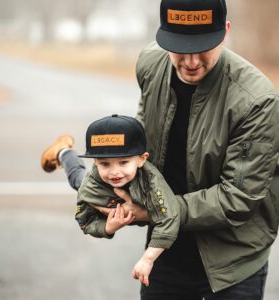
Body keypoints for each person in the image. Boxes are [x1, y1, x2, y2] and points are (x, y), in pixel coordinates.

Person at [88, 0, 279, 299]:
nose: (190, 61)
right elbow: (141, 140)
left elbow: (238, 197)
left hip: (233, 261)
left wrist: (153, 210)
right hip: (167, 252)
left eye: (203, 47)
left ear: (225, 32)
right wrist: (105, 184)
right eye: (179, 47)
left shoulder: (256, 100)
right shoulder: (150, 65)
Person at [41, 114, 181, 286]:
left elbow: (170, 216)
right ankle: (64, 151)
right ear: (95, 162)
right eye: (105, 164)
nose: (115, 172)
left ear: (141, 159)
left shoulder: (152, 179)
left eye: (123, 162)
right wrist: (107, 227)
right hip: (102, 192)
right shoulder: (91, 187)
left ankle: (64, 151)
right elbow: (85, 221)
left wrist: (147, 259)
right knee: (77, 178)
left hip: (134, 195)